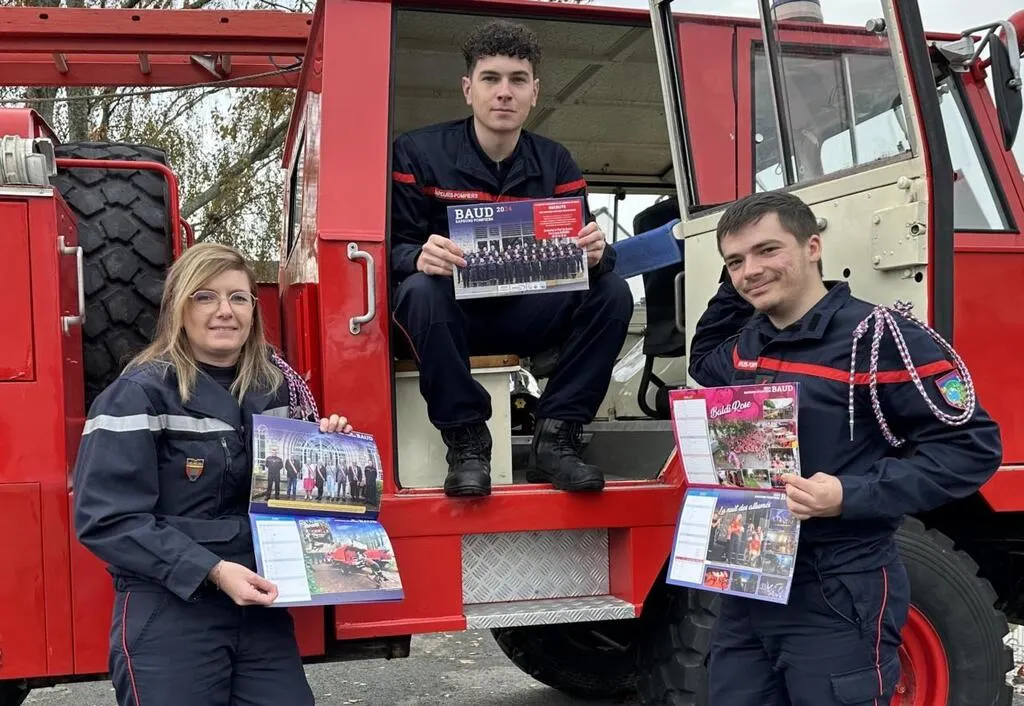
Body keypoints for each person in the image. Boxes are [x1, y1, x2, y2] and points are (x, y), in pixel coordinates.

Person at [687, 191, 1002, 705]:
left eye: (768, 251)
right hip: (747, 581)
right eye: (736, 261)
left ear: (813, 246)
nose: (750, 271)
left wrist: (848, 494)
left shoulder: (881, 340)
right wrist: (741, 284)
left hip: (836, 590)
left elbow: (972, 449)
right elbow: (703, 359)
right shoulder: (744, 347)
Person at [72, 242, 355, 706]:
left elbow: (289, 504)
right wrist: (214, 571)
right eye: (205, 297)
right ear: (178, 308)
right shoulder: (137, 395)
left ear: (253, 312)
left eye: (238, 298)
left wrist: (328, 449)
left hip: (259, 611)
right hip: (169, 607)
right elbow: (107, 520)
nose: (225, 311)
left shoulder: (273, 390)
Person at [390, 19, 633, 497]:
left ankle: (556, 440)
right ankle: (466, 444)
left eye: (517, 80)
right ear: (468, 89)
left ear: (534, 92)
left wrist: (597, 255)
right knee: (419, 289)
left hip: (529, 311)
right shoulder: (416, 153)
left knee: (612, 291)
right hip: (448, 315)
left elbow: (586, 258)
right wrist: (418, 255)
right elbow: (390, 250)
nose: (504, 93)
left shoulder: (557, 162)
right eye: (491, 79)